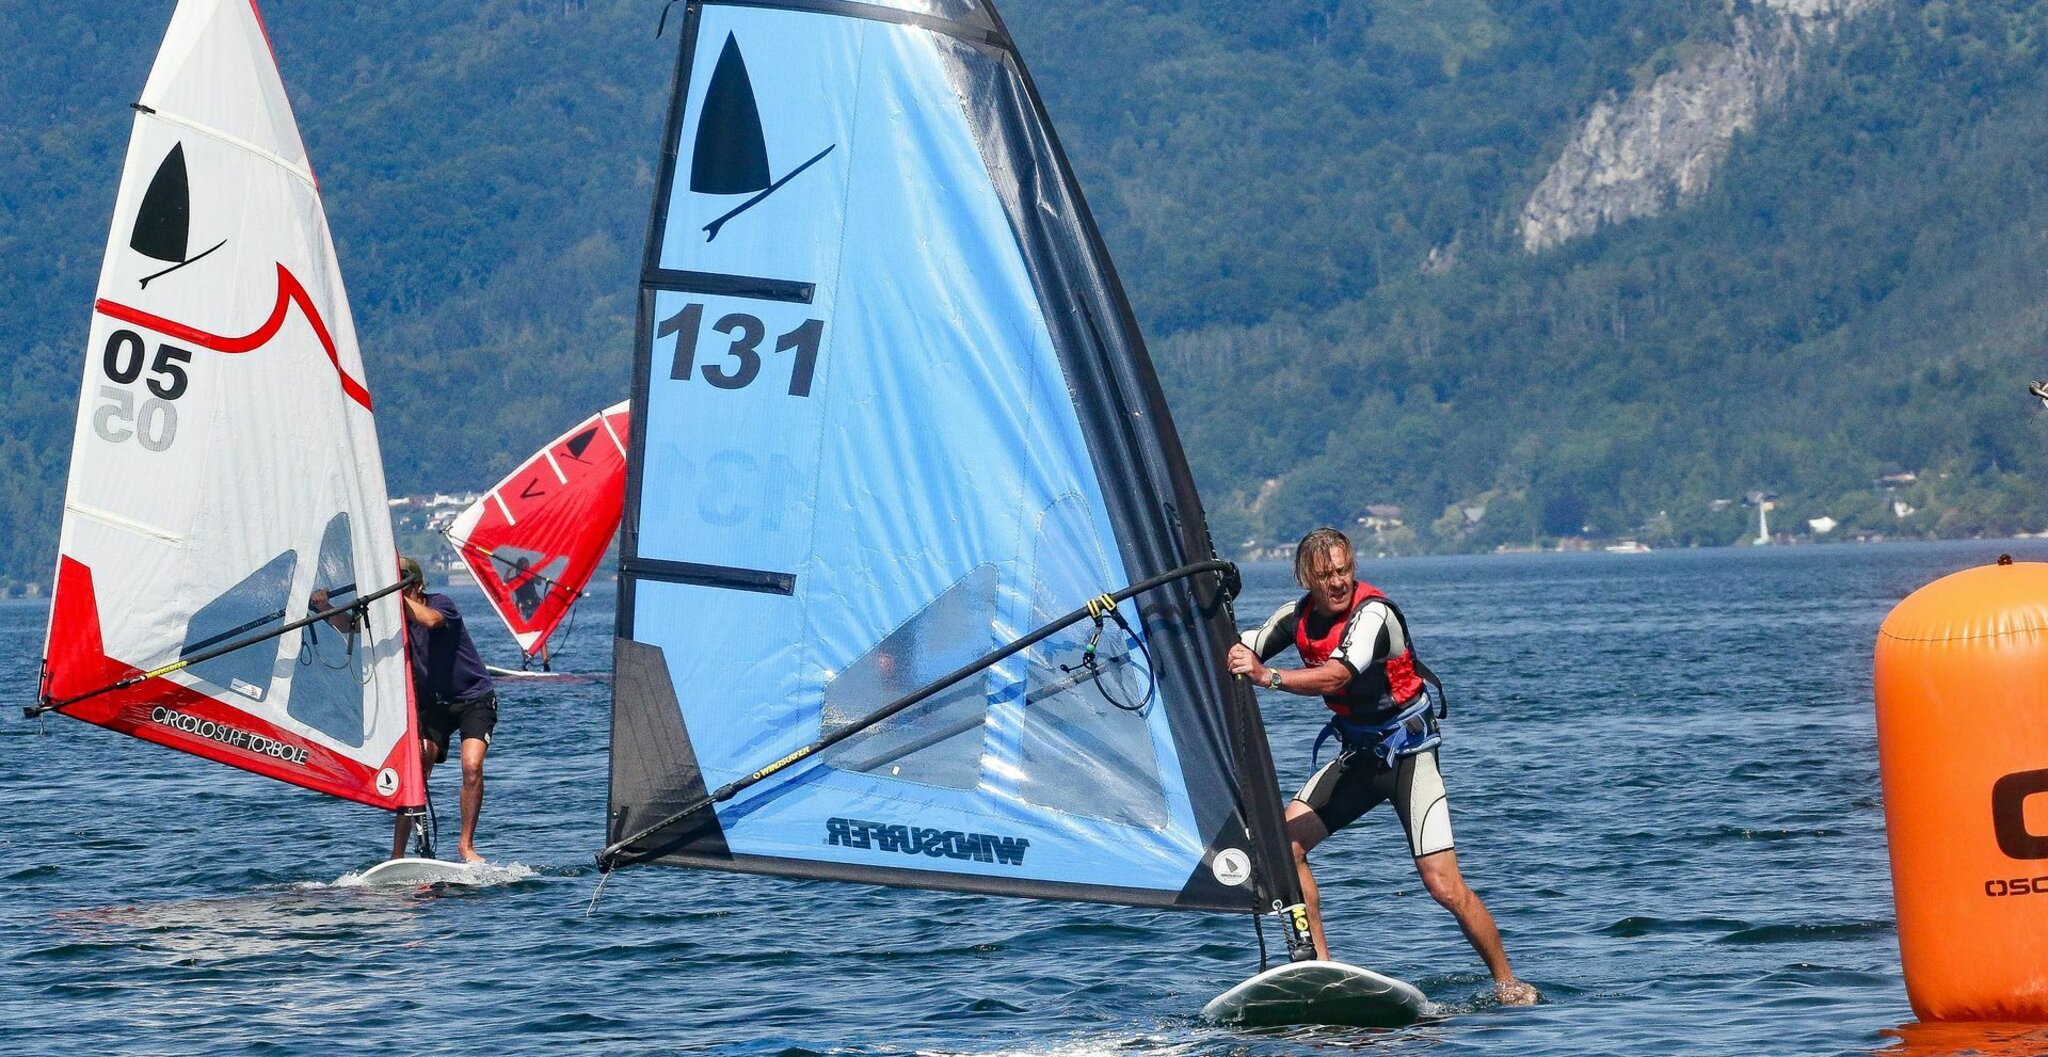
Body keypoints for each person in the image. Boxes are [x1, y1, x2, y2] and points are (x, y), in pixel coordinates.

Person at [1226, 527, 1537, 1005]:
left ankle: (1508, 981)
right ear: (1306, 576)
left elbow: (1337, 673)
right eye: (1326, 574)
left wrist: (1267, 676)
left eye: (1345, 570)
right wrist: (1224, 646)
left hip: (1409, 757)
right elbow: (1247, 645)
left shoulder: (1375, 614)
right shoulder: (1296, 617)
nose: (1338, 582)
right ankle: (1316, 969)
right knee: (1283, 845)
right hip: (1359, 756)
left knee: (1443, 885)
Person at [390, 556, 497, 864]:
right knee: (416, 767)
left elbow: (430, 620)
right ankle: (398, 854)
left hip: (474, 698)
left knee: (471, 766)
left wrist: (396, 597)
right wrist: (323, 606)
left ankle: (466, 846)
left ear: (418, 587)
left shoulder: (441, 603)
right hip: (435, 705)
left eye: (405, 587)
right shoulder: (394, 616)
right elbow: (349, 627)